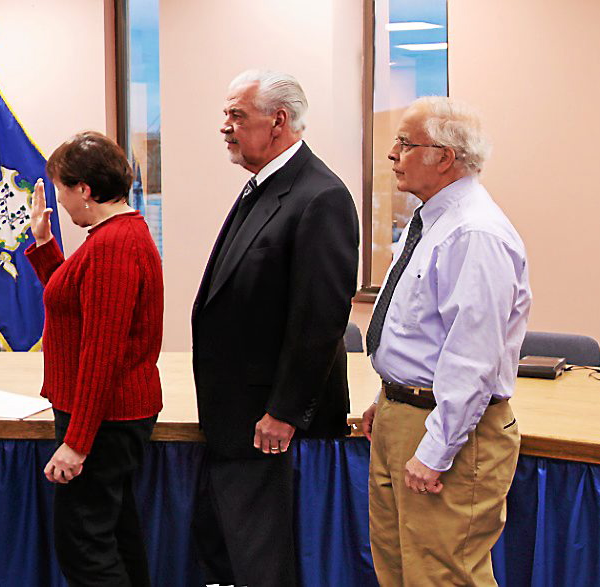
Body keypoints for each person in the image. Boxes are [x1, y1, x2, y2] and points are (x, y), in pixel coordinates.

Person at [190, 70, 359, 587]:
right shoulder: (263, 186)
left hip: (269, 426)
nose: (225, 126)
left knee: (262, 566)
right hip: (233, 417)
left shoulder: (320, 196)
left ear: (279, 121)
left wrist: (284, 411)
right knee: (229, 561)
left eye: (237, 116)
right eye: (226, 114)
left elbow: (320, 319)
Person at [359, 96, 530, 586]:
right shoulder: (430, 222)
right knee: (397, 572)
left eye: (405, 143)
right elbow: (423, 331)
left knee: (441, 576)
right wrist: (390, 397)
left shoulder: (474, 232)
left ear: (444, 157)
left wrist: (436, 450)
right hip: (405, 414)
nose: (393, 154)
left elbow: (472, 358)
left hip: (448, 427)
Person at [24, 131, 164, 586]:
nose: (60, 201)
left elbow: (102, 352)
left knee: (84, 547)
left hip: (104, 422)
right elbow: (72, 299)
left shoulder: (112, 245)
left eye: (61, 189)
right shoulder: (117, 235)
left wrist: (77, 443)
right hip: (110, 416)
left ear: (84, 189)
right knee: (115, 537)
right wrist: (44, 242)